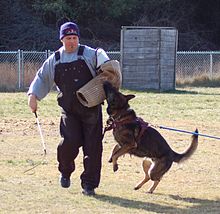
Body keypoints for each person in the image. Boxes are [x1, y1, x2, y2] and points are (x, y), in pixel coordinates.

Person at [28, 21, 109, 196]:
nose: (72, 41)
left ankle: (89, 185)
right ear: (62, 40)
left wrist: (109, 69)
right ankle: (65, 172)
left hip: (92, 110)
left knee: (93, 148)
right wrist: (33, 96)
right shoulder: (55, 59)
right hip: (69, 110)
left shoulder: (91, 54)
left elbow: (108, 69)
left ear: (78, 38)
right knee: (68, 144)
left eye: (74, 38)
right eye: (68, 38)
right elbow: (42, 78)